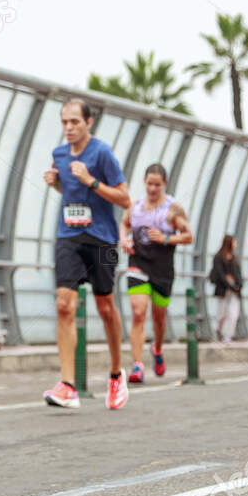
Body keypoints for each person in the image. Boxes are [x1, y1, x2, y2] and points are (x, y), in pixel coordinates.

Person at [42, 99, 130, 410]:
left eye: (74, 122)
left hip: (102, 239)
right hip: (69, 236)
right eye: (64, 122)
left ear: (88, 123)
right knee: (64, 304)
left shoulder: (102, 153)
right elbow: (69, 194)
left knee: (106, 307)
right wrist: (56, 184)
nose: (68, 128)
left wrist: (90, 180)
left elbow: (124, 198)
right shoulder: (59, 154)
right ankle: (68, 385)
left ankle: (117, 374)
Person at [120, 163, 192, 383]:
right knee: (138, 312)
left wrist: (167, 238)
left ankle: (157, 349)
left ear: (165, 184)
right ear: (144, 183)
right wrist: (123, 240)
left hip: (162, 269)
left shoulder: (173, 209)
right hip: (138, 263)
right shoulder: (136, 206)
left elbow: (189, 236)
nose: (152, 189)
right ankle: (137, 365)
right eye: (149, 184)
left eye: (157, 185)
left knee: (158, 317)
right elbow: (124, 224)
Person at [209, 235, 242, 343]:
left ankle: (228, 335)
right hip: (223, 290)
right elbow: (220, 274)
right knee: (221, 312)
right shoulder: (219, 257)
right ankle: (219, 331)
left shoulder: (234, 258)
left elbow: (238, 274)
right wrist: (230, 285)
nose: (235, 244)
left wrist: (238, 285)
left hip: (234, 292)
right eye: (234, 242)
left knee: (233, 313)